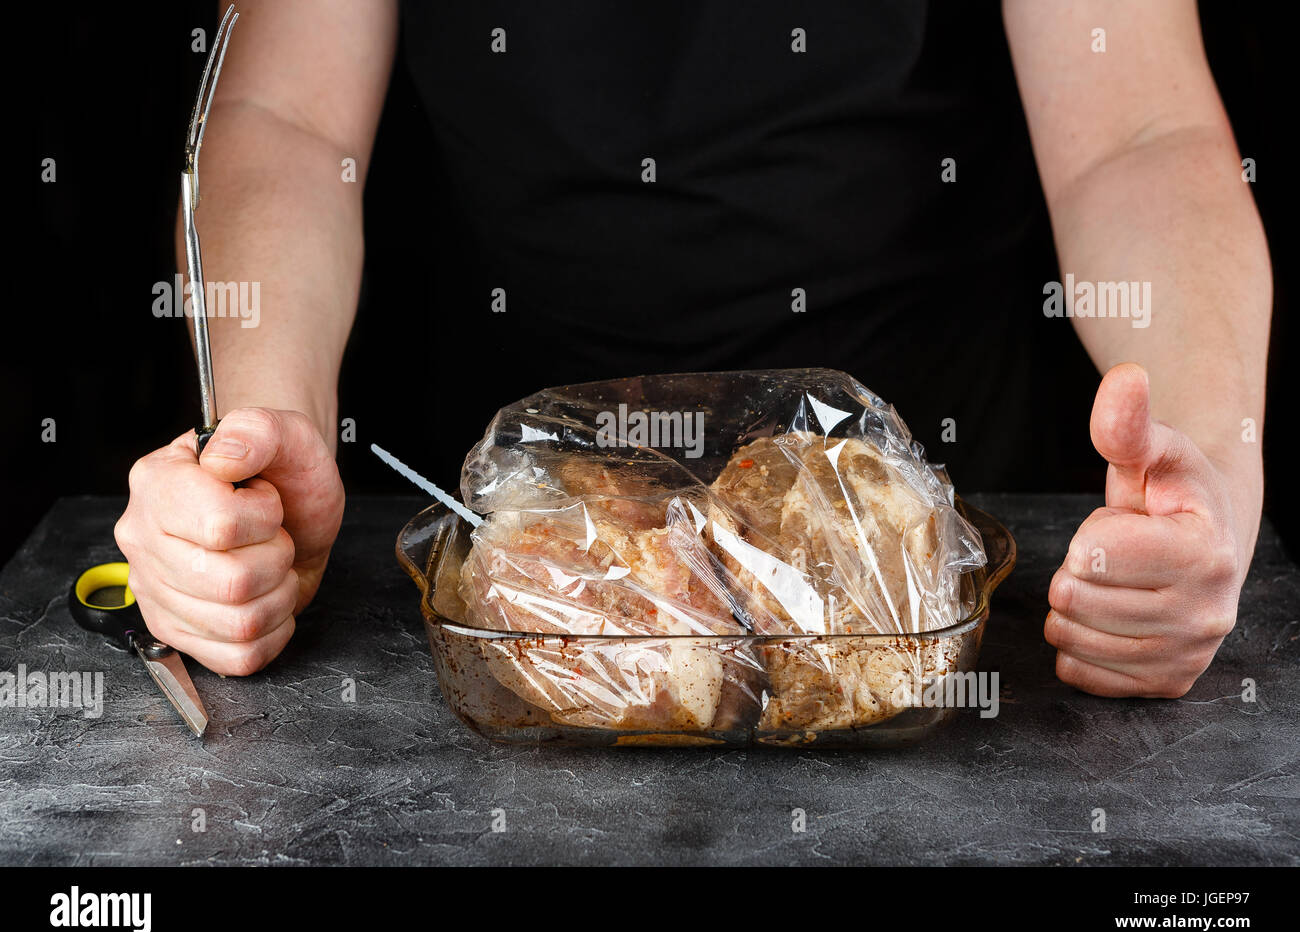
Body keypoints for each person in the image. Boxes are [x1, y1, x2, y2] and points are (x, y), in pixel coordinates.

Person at [113, 0, 1269, 698]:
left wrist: (1205, 472)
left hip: (932, 582)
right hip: (502, 575)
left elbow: (1138, 134)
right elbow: (283, 122)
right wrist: (259, 454)